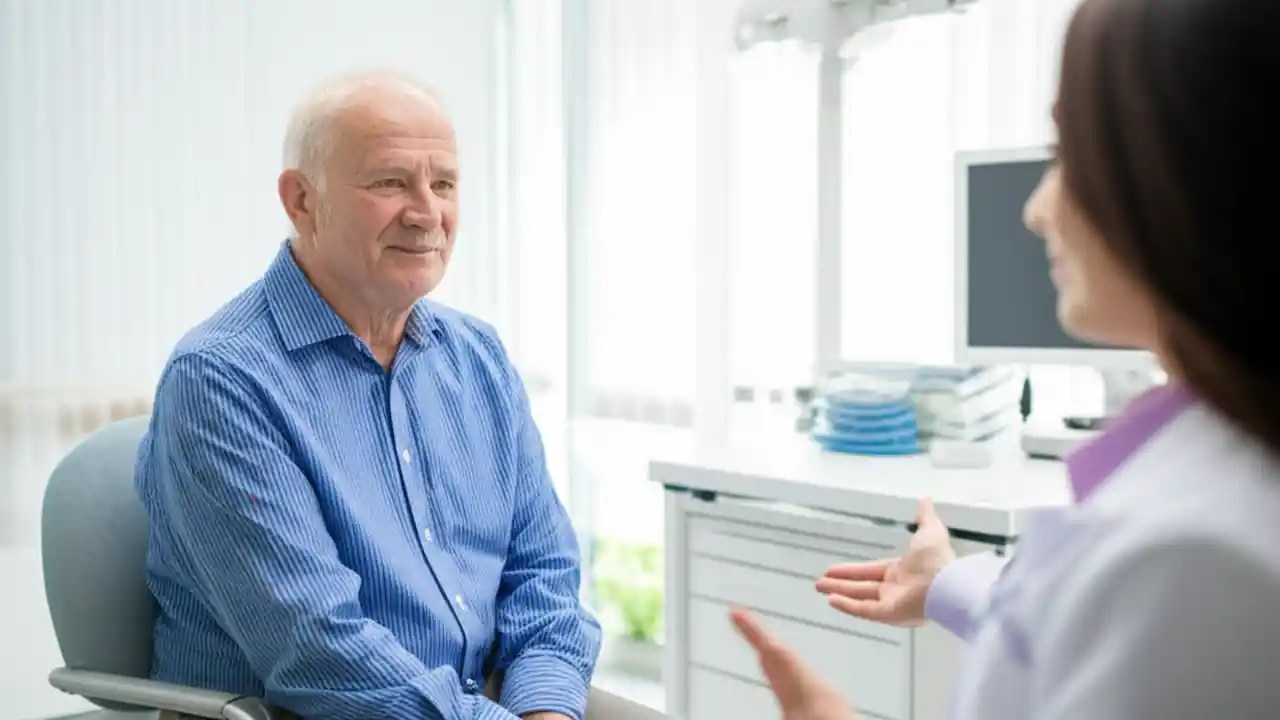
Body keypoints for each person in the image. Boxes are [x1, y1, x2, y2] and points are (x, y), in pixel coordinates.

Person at [730, 0, 1280, 717]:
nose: (1036, 209)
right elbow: (1085, 620)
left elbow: (1132, 612)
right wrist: (946, 583)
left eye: (1069, 156)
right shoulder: (1212, 478)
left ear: (1181, 174)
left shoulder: (1197, 558)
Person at [134, 71, 605, 720]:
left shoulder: (479, 359)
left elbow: (545, 578)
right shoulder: (220, 381)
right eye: (389, 182)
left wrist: (546, 710)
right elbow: (321, 653)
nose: (426, 212)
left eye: (444, 183)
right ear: (301, 201)